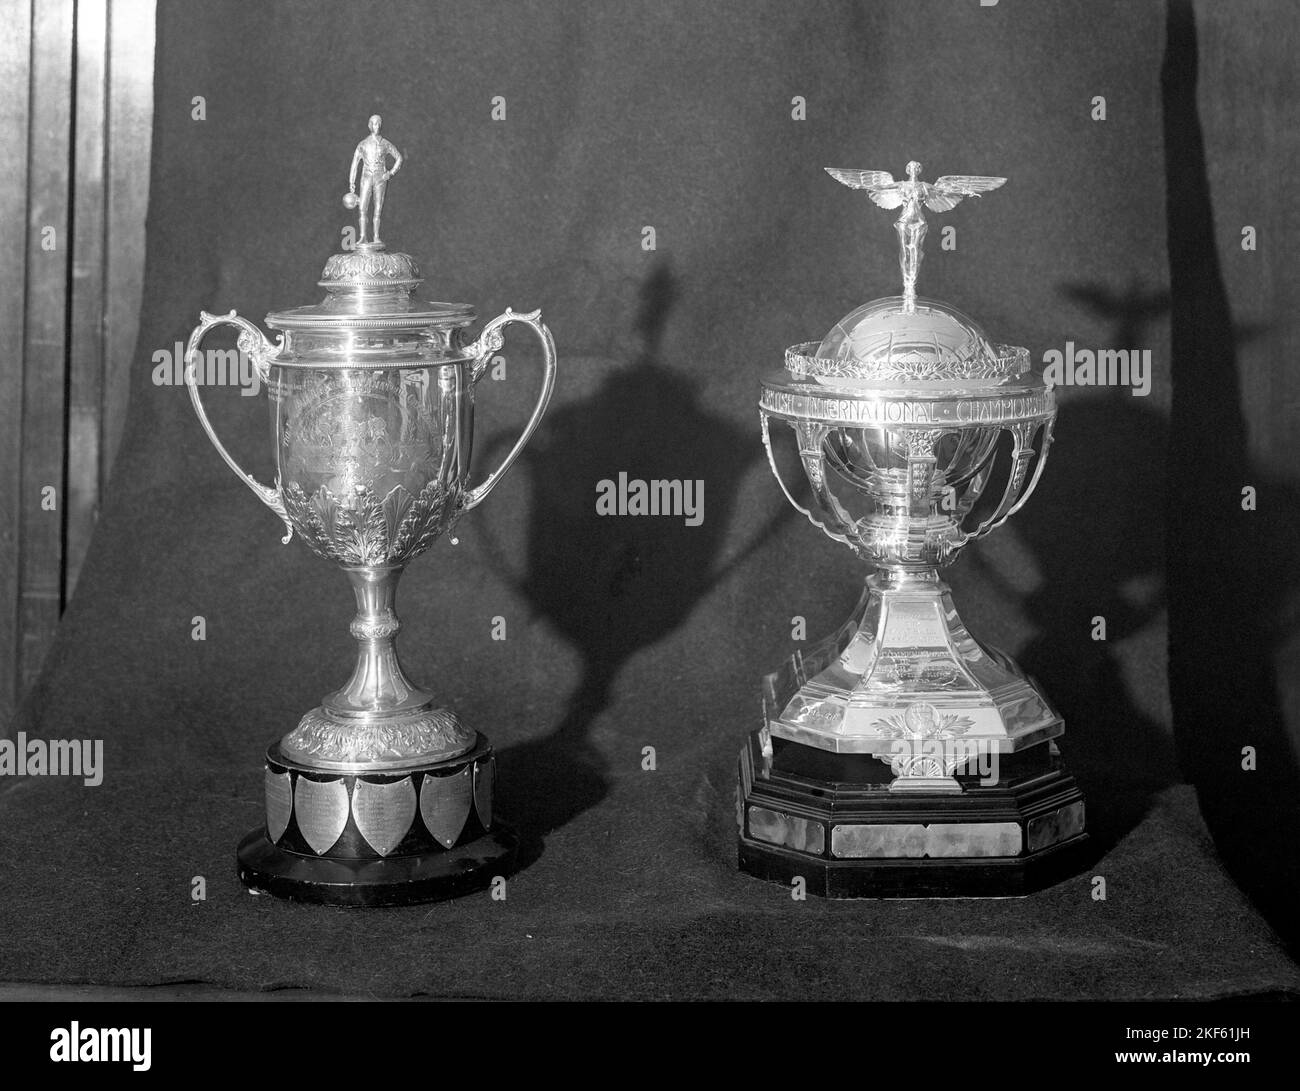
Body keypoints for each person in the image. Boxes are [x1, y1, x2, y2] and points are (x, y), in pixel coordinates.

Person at [348, 115, 403, 245]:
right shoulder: (363, 144)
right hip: (366, 177)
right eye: (373, 123)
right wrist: (351, 181)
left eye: (378, 123)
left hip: (380, 178)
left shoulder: (385, 143)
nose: (376, 126)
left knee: (378, 208)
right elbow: (355, 163)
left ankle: (376, 237)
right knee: (362, 207)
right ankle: (363, 236)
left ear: (381, 125)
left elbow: (399, 158)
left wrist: (390, 173)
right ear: (369, 126)